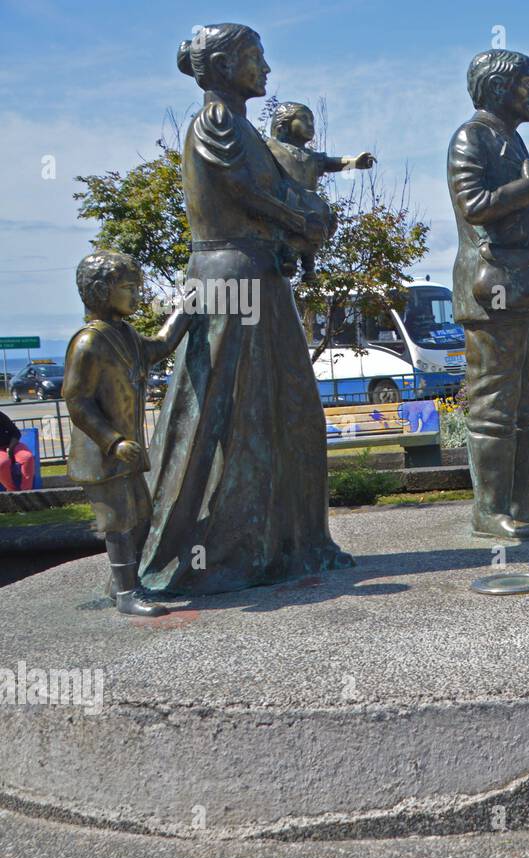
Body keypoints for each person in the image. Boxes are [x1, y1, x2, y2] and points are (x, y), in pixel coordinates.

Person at [142, 23, 353, 595]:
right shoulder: (214, 122)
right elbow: (246, 192)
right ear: (222, 66)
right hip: (229, 281)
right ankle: (223, 550)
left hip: (258, 275)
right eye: (253, 57)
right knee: (229, 417)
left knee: (290, 413)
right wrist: (304, 219)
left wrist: (296, 227)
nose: (265, 68)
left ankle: (296, 541)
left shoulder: (242, 127)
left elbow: (270, 193)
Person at [448, 48, 529, 539]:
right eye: (527, 84)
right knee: (494, 402)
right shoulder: (471, 137)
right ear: (499, 89)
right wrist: (528, 189)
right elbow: (474, 204)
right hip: (490, 290)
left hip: (520, 289)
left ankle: (521, 502)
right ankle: (489, 509)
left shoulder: (510, 139)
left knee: (524, 405)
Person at [65, 251, 191, 616]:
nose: (138, 295)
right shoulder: (89, 343)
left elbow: (160, 347)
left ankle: (128, 584)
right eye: (130, 288)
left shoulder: (124, 335)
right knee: (119, 523)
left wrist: (184, 310)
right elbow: (77, 401)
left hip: (127, 455)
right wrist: (113, 441)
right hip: (104, 456)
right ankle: (126, 595)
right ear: (103, 290)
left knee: (140, 515)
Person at [265, 101, 374, 278]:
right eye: (304, 119)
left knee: (322, 222)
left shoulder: (312, 157)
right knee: (292, 223)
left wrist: (354, 162)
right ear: (284, 124)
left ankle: (308, 261)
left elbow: (332, 163)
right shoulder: (271, 148)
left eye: (312, 121)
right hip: (288, 199)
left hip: (311, 201)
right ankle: (289, 256)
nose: (310, 125)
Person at [0, 409, 35, 491]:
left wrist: (11, 447)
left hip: (12, 444)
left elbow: (15, 432)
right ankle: (11, 491)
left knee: (27, 457)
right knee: (2, 463)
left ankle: (26, 491)